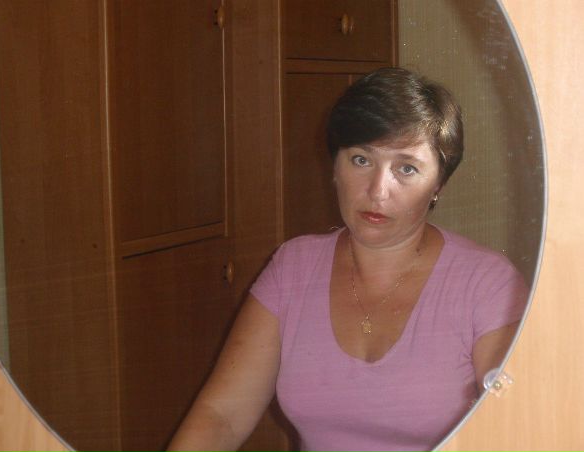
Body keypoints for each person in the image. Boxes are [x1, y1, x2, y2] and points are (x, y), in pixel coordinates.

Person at [166, 67, 528, 452]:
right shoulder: (293, 267)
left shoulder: (488, 285)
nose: (377, 190)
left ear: (438, 184)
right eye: (360, 160)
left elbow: (520, 429)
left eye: (406, 168)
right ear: (334, 167)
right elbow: (221, 415)